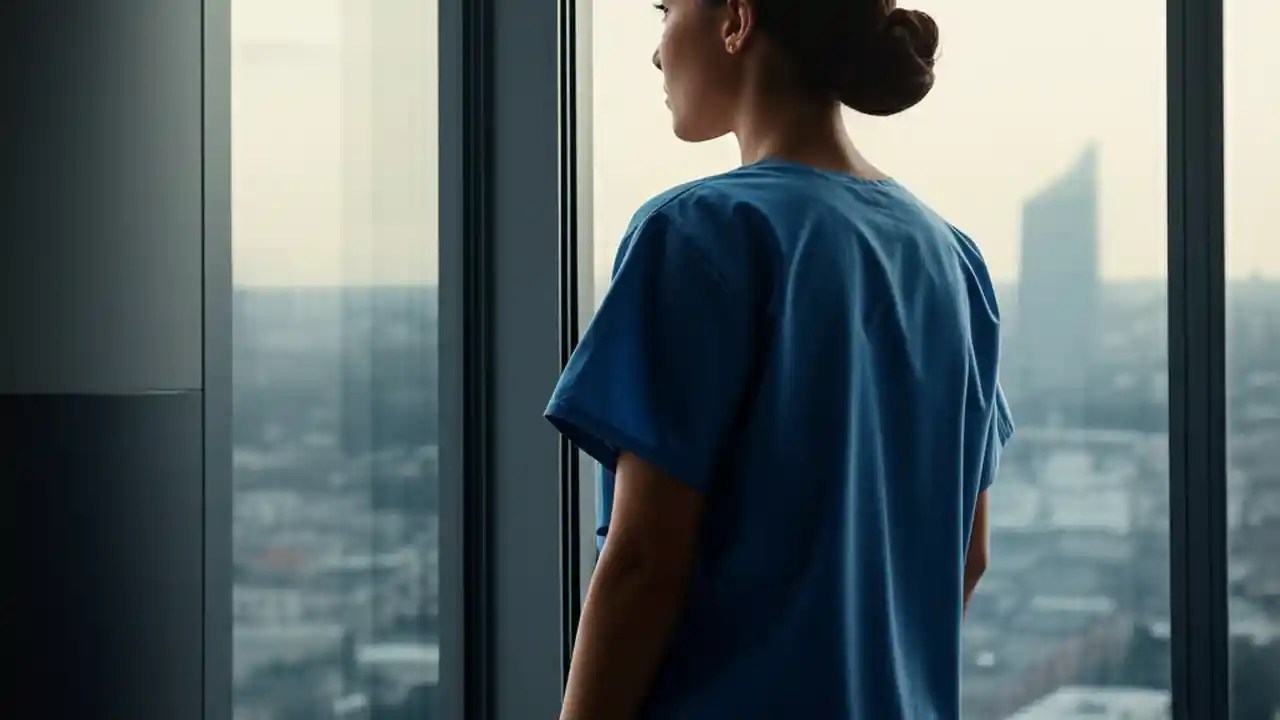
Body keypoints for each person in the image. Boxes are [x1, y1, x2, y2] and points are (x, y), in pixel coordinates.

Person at [544, 0, 1014, 717]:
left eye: (666, 10)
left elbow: (643, 562)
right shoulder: (951, 257)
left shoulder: (699, 233)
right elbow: (967, 554)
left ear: (736, 18)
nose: (657, 50)